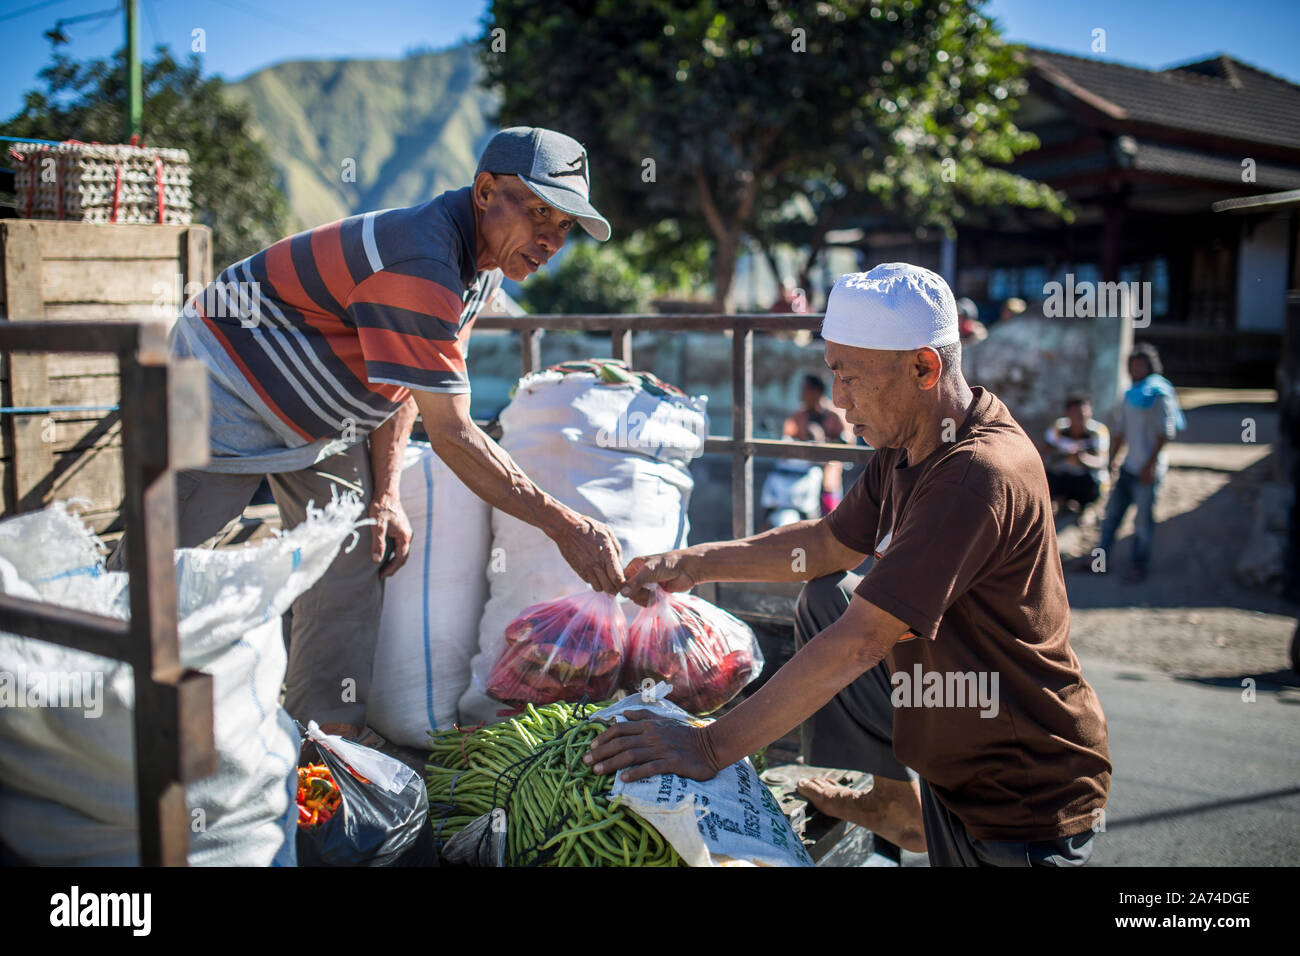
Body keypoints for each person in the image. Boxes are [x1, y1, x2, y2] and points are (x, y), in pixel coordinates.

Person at [584, 263, 1112, 867]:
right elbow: (830, 544)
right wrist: (695, 563)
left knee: (848, 622)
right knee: (824, 594)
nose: (838, 401)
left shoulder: (974, 474)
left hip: (1021, 797)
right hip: (954, 769)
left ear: (923, 367)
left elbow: (860, 643)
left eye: (850, 377)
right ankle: (895, 801)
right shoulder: (910, 445)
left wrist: (707, 748)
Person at [109, 127, 626, 736]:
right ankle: (83, 703)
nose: (550, 238)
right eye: (539, 210)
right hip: (223, 383)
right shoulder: (421, 262)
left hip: (320, 418)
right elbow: (454, 435)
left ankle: (324, 745)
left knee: (354, 549)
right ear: (485, 191)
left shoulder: (478, 268)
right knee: (159, 564)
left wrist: (384, 496)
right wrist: (566, 525)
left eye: (565, 224)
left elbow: (416, 382)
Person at [1095, 343, 1185, 584]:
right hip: (1129, 467)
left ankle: (1138, 566)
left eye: (1141, 364)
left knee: (1142, 523)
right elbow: (1121, 432)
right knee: (1112, 515)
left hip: (1148, 470)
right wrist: (1112, 461)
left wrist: (1149, 466)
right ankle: (1099, 561)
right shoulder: (1129, 394)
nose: (1136, 368)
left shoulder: (1159, 394)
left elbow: (1165, 434)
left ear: (1150, 366)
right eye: (1133, 364)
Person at [782, 374, 851, 514]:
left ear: (816, 391)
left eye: (805, 389)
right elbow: (787, 437)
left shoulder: (834, 416)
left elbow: (848, 442)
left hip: (828, 480)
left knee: (831, 518)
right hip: (802, 478)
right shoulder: (799, 415)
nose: (801, 393)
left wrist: (824, 443)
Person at [1042, 392, 1109, 514]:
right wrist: (1064, 455)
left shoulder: (1098, 431)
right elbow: (1045, 455)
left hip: (1085, 478)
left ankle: (1084, 508)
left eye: (1084, 414)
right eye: (1076, 414)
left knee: (1092, 482)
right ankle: (1060, 503)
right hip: (1064, 474)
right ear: (1068, 414)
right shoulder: (1058, 428)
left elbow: (1101, 462)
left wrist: (1082, 458)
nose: (1080, 417)